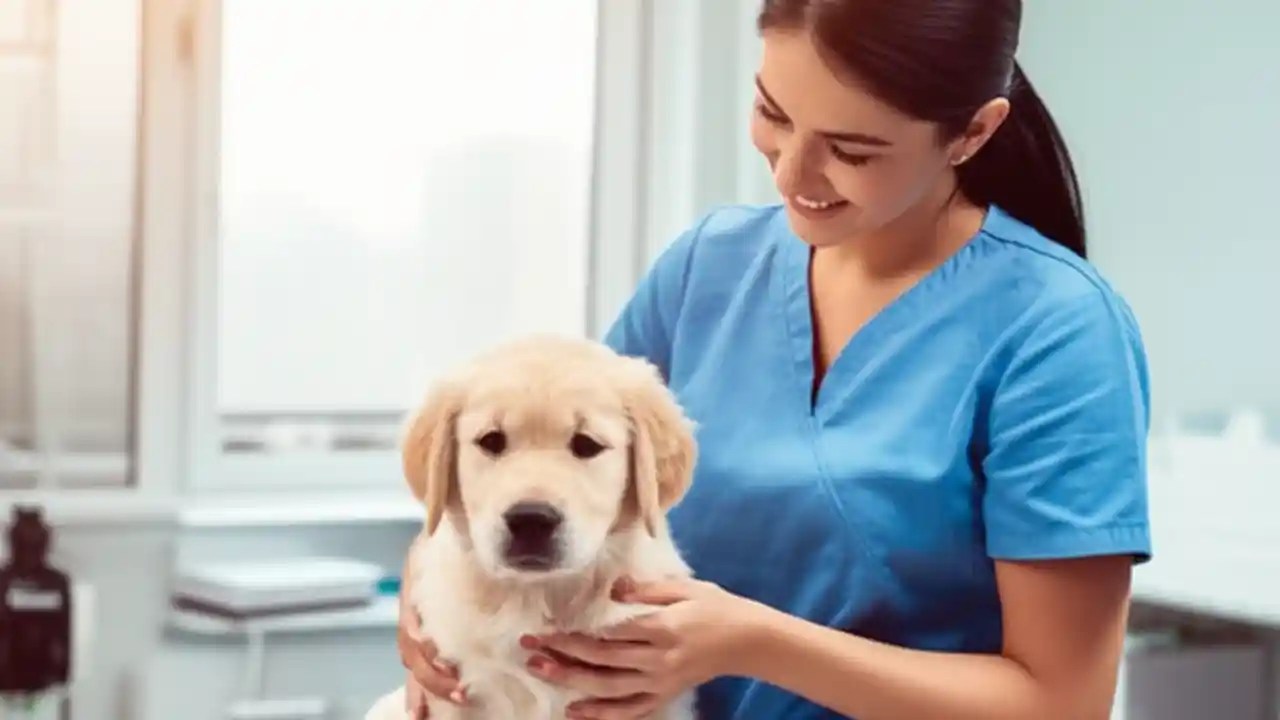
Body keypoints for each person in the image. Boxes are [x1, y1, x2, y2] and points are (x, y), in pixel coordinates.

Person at [397, 0, 1153, 717]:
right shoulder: (707, 269)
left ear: (972, 134)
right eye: (773, 114)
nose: (791, 174)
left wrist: (753, 644)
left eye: (852, 150)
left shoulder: (1056, 331)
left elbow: (1060, 702)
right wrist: (431, 586)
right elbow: (544, 458)